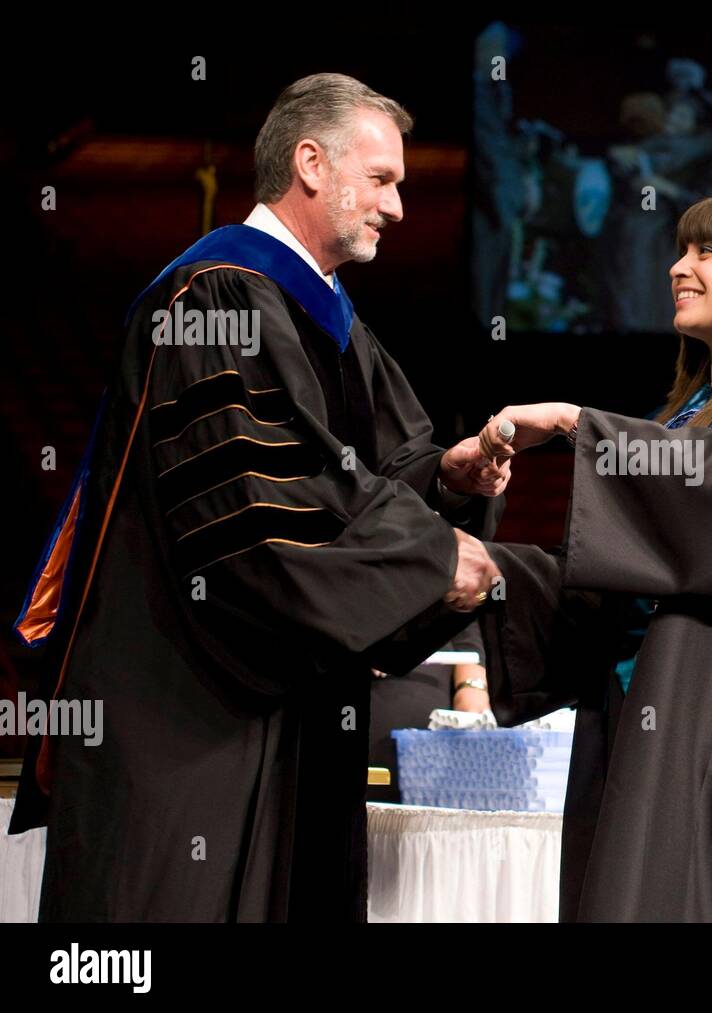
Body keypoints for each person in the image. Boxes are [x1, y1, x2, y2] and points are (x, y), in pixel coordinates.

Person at [9, 73, 507, 922]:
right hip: (189, 718)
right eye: (383, 179)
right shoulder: (214, 298)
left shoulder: (334, 321)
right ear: (311, 163)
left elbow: (377, 470)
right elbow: (256, 504)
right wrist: (428, 557)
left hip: (288, 715)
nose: (396, 207)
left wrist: (446, 479)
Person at [474, 153, 712, 921]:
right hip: (646, 727)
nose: (678, 267)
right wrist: (484, 567)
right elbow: (613, 582)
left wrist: (580, 422)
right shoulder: (681, 411)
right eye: (680, 249)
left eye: (705, 251)